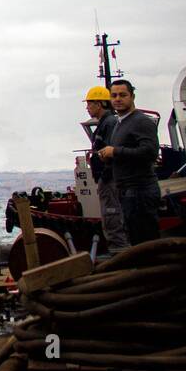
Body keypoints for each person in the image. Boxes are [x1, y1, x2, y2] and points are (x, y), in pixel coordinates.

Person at [97, 79, 161, 245]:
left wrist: (115, 151)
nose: (118, 99)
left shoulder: (141, 121)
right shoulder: (121, 122)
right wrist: (109, 156)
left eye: (123, 95)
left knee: (146, 242)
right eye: (114, 95)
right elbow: (127, 152)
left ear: (132, 96)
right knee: (135, 240)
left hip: (140, 191)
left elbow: (150, 152)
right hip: (126, 191)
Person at [84, 85, 127, 251]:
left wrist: (105, 175)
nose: (87, 108)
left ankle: (120, 252)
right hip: (107, 178)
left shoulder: (109, 123)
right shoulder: (106, 123)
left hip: (109, 180)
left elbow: (112, 152)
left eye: (89, 103)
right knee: (112, 215)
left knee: (112, 216)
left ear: (100, 104)